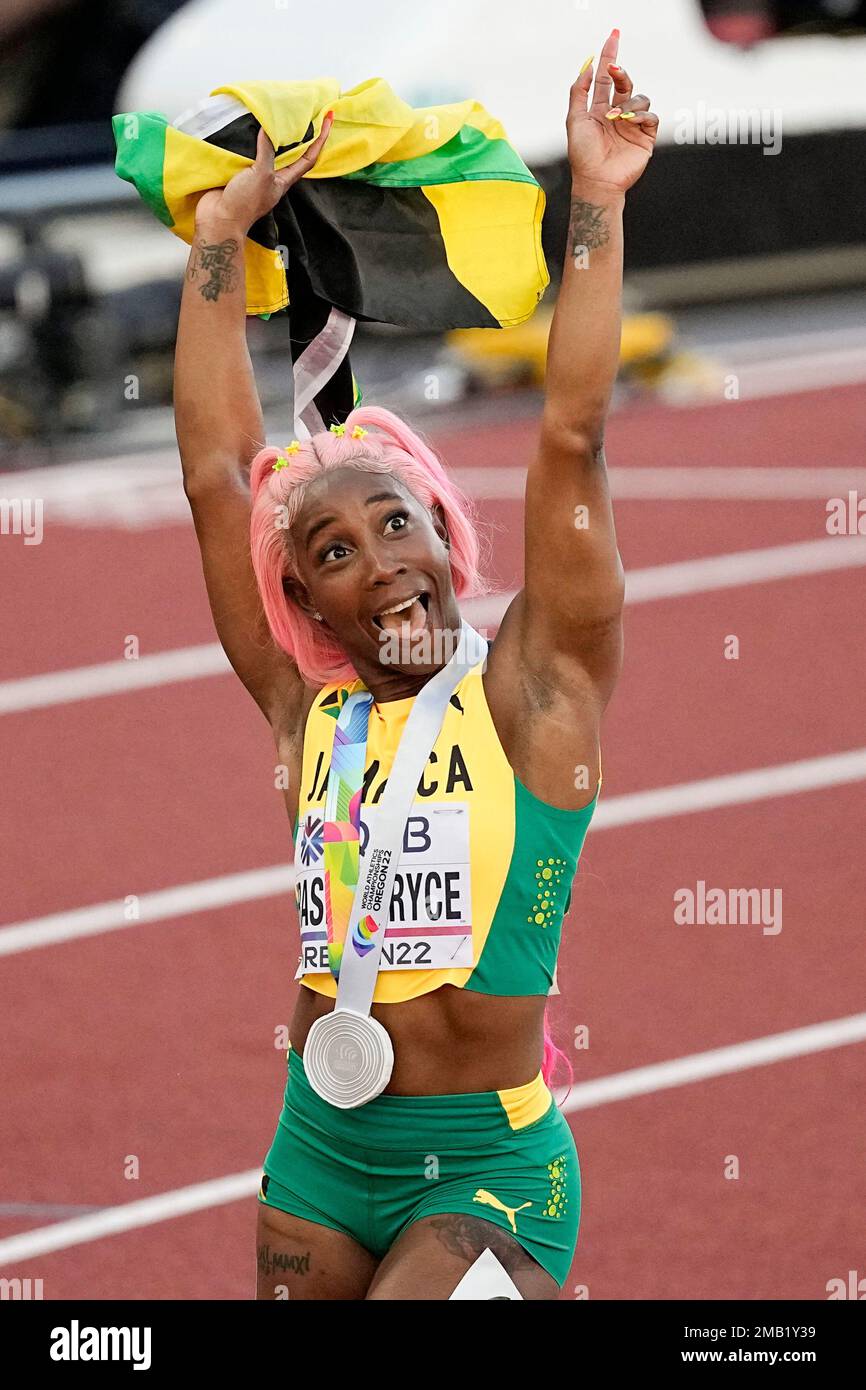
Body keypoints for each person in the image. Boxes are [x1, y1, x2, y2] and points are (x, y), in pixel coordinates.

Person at [173, 28, 658, 1301]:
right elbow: (220, 476)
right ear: (305, 601)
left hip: (485, 1171)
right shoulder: (304, 712)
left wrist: (594, 205)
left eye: (398, 520)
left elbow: (571, 429)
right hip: (319, 1149)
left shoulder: (531, 693)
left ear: (445, 535)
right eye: (333, 547)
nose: (380, 559)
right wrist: (217, 241)